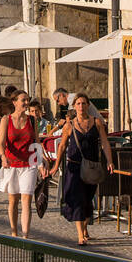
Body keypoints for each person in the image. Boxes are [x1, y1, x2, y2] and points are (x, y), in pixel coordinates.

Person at [44, 93, 113, 246]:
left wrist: (109, 161)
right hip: (74, 166)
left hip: (91, 166)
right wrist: (55, 165)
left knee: (87, 199)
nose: (81, 106)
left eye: (84, 103)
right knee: (77, 199)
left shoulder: (97, 123)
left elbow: (105, 143)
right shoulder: (69, 125)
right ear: (74, 107)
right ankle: (80, 234)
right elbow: (62, 146)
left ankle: (85, 226)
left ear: (88, 105)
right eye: (78, 104)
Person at [0, 90, 44, 237]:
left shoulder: (32, 120)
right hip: (11, 164)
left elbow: (36, 142)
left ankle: (25, 235)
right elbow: (1, 143)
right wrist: (3, 157)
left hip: (28, 164)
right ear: (14, 102)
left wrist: (41, 163)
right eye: (23, 100)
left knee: (26, 199)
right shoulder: (6, 120)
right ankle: (14, 232)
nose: (26, 103)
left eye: (27, 100)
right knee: (13, 200)